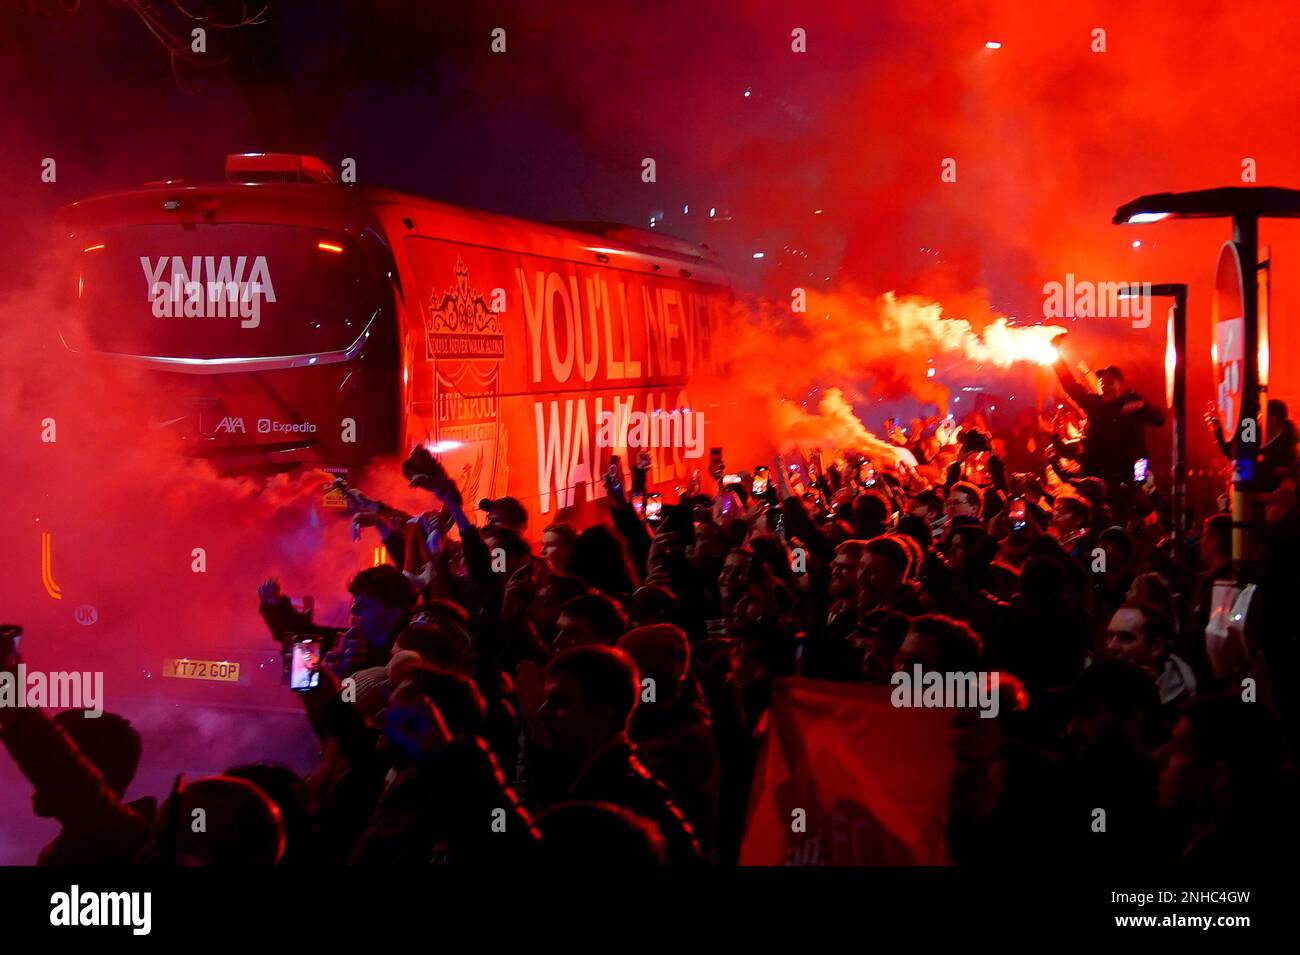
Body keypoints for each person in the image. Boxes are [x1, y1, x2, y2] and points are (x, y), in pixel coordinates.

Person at [527, 646, 703, 865]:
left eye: (559, 703)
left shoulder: (629, 800)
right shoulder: (584, 774)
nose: (542, 712)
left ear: (603, 714)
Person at [1053, 350, 1165, 492]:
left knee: (1138, 501)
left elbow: (1159, 419)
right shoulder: (1095, 404)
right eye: (1101, 383)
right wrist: (1056, 357)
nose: (1104, 386)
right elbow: (1070, 386)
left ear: (1120, 386)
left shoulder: (1132, 405)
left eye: (1110, 382)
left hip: (1126, 477)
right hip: (1096, 476)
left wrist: (1142, 406)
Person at [1104, 602, 1197, 708]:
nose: (1111, 646)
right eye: (1110, 636)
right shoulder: (1099, 684)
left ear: (1156, 648)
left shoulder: (1184, 704)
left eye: (1125, 638)